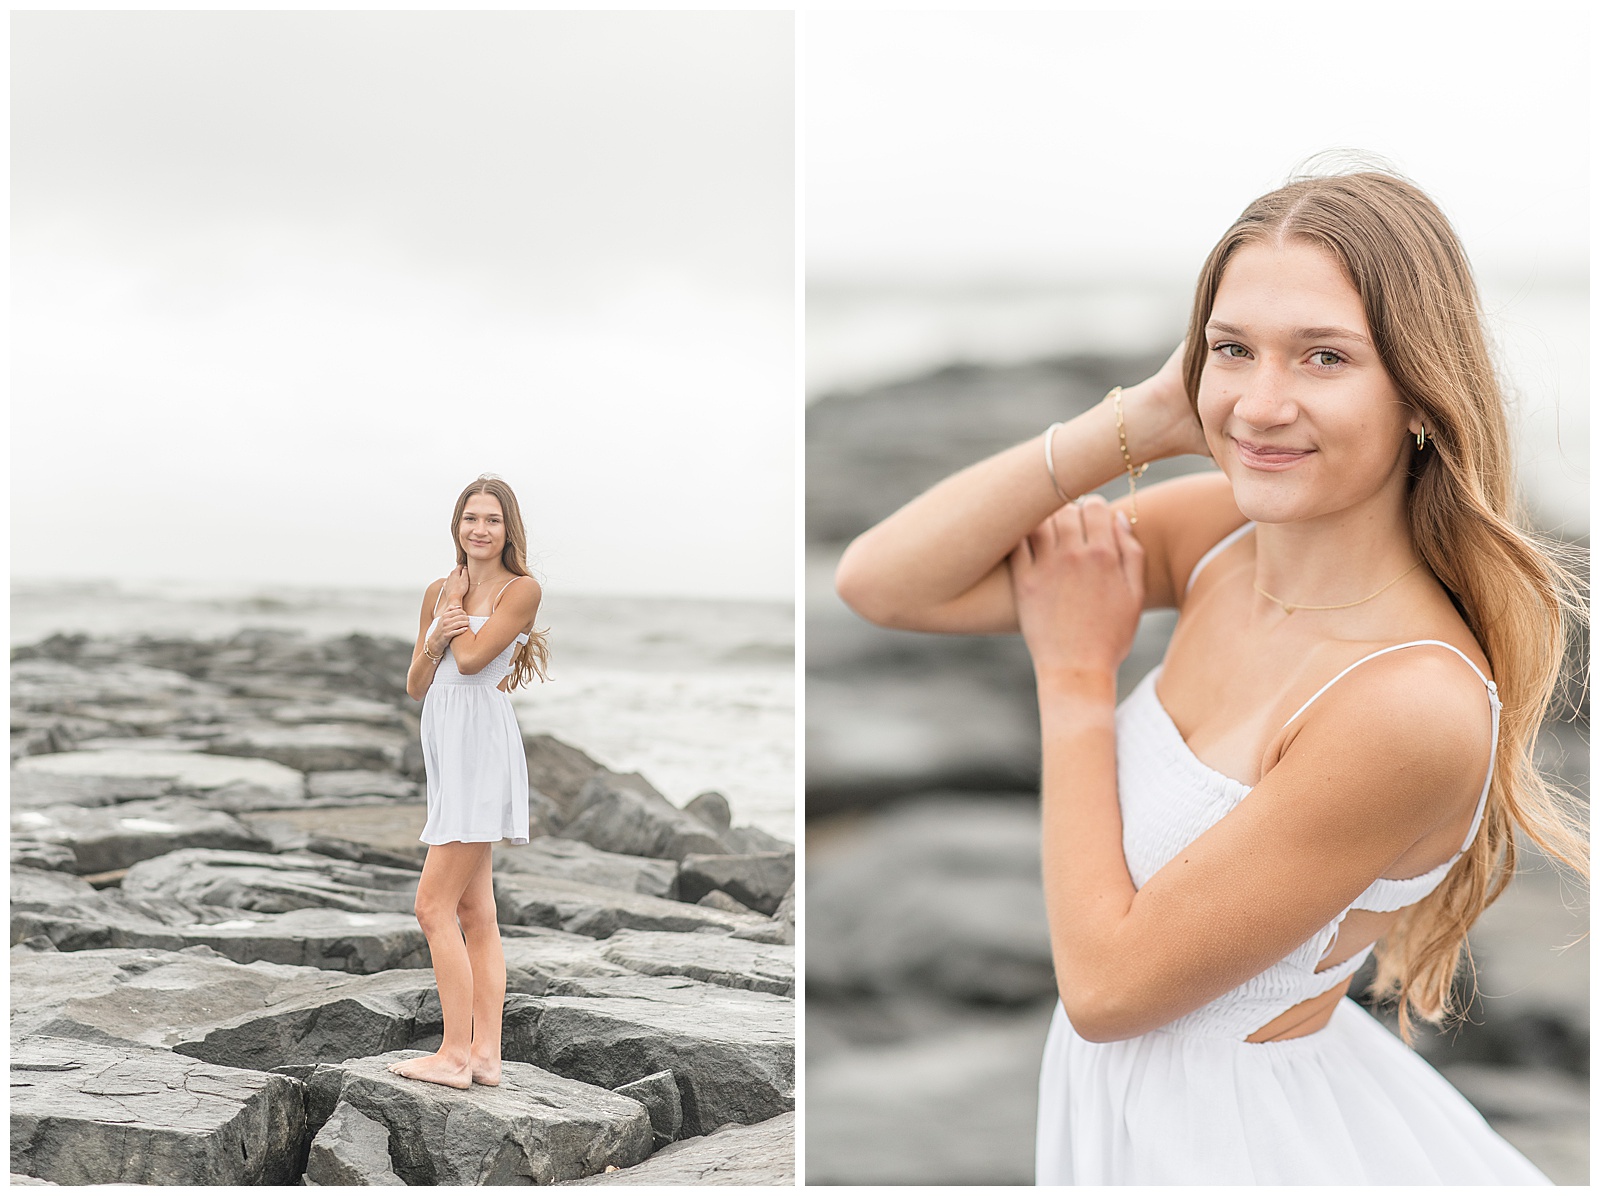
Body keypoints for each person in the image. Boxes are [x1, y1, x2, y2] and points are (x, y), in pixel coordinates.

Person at [834, 170, 1587, 1183]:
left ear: (1419, 392)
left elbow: (1105, 987)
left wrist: (1072, 674)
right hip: (1147, 1123)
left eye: (1324, 356)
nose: (1262, 403)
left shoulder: (1407, 703)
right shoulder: (1218, 540)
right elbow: (884, 580)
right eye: (1233, 348)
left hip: (1247, 1148)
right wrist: (1145, 416)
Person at [392, 473, 551, 1088]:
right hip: (445, 743)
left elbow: (471, 659)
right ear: (456, 526)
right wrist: (439, 619)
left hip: (481, 746)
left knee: (431, 907)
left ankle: (454, 1054)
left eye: (491, 520)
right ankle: (485, 1056)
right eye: (469, 519)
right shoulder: (436, 589)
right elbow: (416, 682)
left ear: (508, 529)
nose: (479, 530)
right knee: (474, 908)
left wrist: (452, 617)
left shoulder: (522, 589)